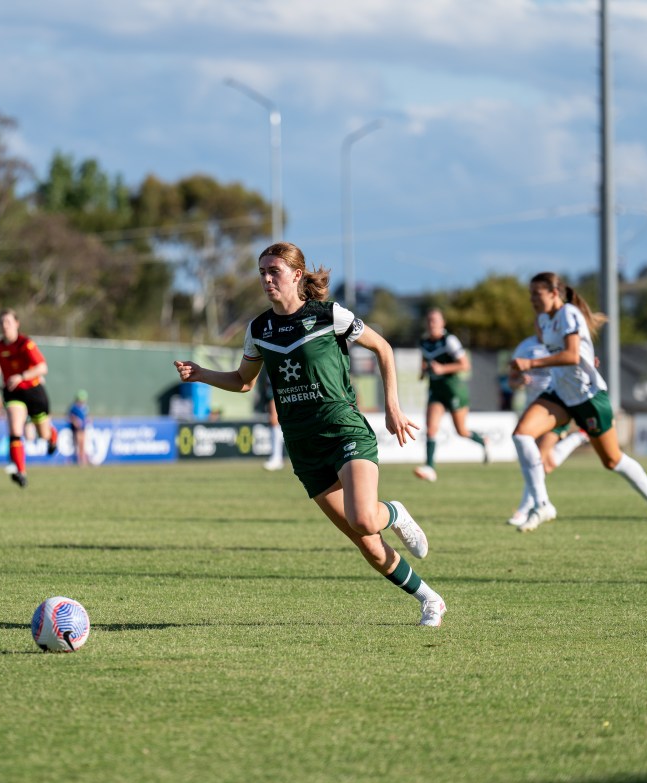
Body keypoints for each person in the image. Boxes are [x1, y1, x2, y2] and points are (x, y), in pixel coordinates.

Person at [173, 242, 446, 627]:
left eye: (275, 272)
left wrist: (392, 407)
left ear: (297, 275)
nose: (267, 279)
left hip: (344, 430)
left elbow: (383, 348)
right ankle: (430, 599)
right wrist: (201, 373)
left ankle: (396, 512)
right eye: (262, 272)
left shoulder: (328, 315)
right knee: (364, 541)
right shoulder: (259, 329)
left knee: (366, 518)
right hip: (303, 447)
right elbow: (242, 381)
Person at [509, 272, 647, 536]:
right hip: (560, 394)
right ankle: (542, 504)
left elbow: (572, 355)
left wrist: (532, 363)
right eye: (530, 294)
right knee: (521, 435)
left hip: (588, 396)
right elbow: (562, 353)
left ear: (553, 293)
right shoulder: (543, 319)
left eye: (536, 294)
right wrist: (521, 370)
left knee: (612, 460)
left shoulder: (569, 314)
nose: (532, 300)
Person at [505, 333, 588, 527]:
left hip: (557, 407)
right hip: (533, 411)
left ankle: (526, 509)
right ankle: (578, 438)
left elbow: (578, 365)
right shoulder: (525, 347)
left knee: (540, 459)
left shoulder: (563, 344)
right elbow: (512, 380)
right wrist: (519, 382)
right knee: (546, 463)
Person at [412, 308, 488, 482]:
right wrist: (423, 372)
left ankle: (482, 440)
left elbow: (465, 365)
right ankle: (430, 467)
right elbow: (424, 360)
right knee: (431, 428)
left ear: (442, 323)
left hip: (453, 389)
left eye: (435, 321)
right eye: (429, 320)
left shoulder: (449, 341)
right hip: (436, 389)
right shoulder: (423, 341)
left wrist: (443, 369)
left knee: (461, 431)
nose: (432, 324)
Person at [0, 309, 58, 488]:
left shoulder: (26, 344)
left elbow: (43, 367)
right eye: (2, 323)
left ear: (16, 324)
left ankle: (52, 436)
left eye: (8, 322)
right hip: (13, 392)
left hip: (33, 391)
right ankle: (21, 471)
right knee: (14, 430)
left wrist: (22, 376)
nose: (5, 326)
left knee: (43, 434)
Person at [255, 372, 285, 471]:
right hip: (273, 382)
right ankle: (277, 457)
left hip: (284, 379)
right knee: (273, 420)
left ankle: (277, 457)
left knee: (275, 420)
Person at [68, 390, 90, 466]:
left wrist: (88, 420)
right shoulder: (74, 407)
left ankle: (83, 460)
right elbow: (70, 416)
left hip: (83, 429)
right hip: (77, 430)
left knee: (83, 444)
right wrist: (75, 421)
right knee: (78, 444)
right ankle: (79, 460)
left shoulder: (85, 407)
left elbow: (86, 417)